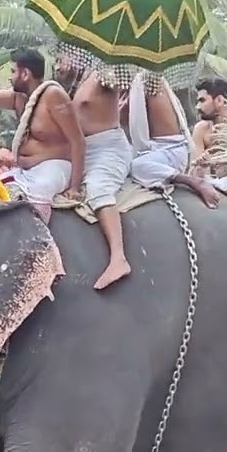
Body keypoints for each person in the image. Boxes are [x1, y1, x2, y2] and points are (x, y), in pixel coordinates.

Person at [0, 48, 85, 218]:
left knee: (36, 195)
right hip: (25, 171)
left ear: (25, 74)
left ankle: (38, 234)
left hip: (55, 168)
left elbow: (78, 140)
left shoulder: (54, 95)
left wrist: (74, 188)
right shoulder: (19, 97)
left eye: (13, 71)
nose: (9, 77)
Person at [54, 55, 136, 289]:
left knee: (98, 189)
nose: (59, 63)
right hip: (83, 151)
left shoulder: (108, 70)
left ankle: (118, 258)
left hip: (109, 149)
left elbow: (121, 79)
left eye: (64, 57)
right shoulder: (83, 77)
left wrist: (112, 72)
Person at [124, 70, 222, 208]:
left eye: (202, 101)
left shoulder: (150, 79)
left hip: (171, 151)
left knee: (135, 167)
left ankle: (192, 182)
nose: (197, 107)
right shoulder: (135, 83)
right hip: (155, 151)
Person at [189, 76, 227, 191]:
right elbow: (194, 175)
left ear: (219, 100)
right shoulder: (202, 129)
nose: (197, 107)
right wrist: (201, 165)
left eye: (202, 100)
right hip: (219, 190)